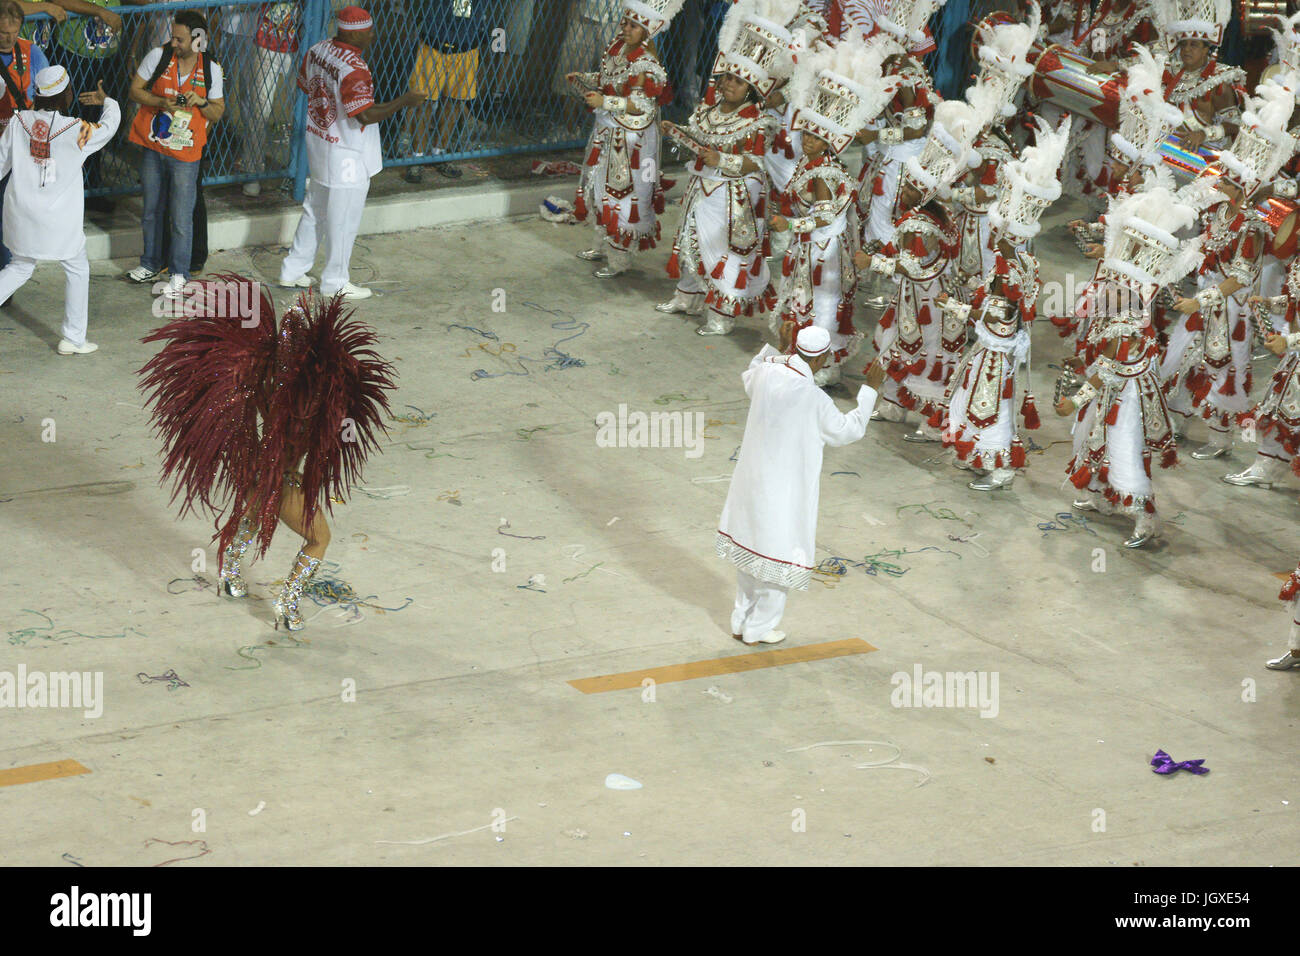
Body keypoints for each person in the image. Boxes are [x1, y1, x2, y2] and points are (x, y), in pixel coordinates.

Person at [139, 279, 397, 632]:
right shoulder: (311, 403)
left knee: (250, 518)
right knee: (319, 539)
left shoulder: (266, 386)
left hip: (258, 470)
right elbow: (333, 429)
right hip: (282, 479)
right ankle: (288, 604)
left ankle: (230, 574)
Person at [717, 328, 886, 645]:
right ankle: (759, 628)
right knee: (777, 555)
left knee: (751, 551)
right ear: (822, 358)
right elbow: (846, 431)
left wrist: (777, 348)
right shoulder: (813, 398)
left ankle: (741, 620)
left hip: (751, 479)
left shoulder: (767, 372)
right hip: (783, 489)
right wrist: (870, 391)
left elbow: (752, 372)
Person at [1056, 183, 1199, 548]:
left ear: (1135, 295)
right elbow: (1098, 355)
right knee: (1088, 439)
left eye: (1118, 289)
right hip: (1112, 392)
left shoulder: (1131, 327)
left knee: (1123, 452)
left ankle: (1145, 519)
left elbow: (1107, 373)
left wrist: (1073, 400)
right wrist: (1081, 359)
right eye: (1111, 285)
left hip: (1126, 398)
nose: (1108, 291)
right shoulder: (1115, 315)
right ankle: (1102, 497)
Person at [936, 117, 1070, 491]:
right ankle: (976, 455)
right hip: (990, 349)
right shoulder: (1010, 261)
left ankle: (1001, 466)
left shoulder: (1014, 269)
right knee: (972, 397)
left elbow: (999, 319)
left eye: (1000, 230)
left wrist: (953, 306)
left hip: (997, 350)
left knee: (991, 406)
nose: (994, 232)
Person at [770, 29, 892, 386]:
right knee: (812, 303)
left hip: (824, 251)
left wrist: (789, 227)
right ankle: (814, 360)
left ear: (828, 142)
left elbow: (824, 214)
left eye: (813, 138)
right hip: (816, 248)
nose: (806, 141)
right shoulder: (814, 165)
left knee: (823, 305)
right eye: (805, 135)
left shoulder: (823, 172)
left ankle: (824, 365)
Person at [279, 5, 423, 301]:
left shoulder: (318, 49)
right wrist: (405, 100)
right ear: (356, 34)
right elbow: (366, 115)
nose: (373, 35)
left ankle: (292, 270)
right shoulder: (354, 69)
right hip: (346, 154)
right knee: (342, 221)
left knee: (314, 210)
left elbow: (305, 85)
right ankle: (335, 282)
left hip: (320, 143)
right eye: (369, 31)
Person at [657, 6, 782, 334]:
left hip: (733, 198)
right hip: (701, 188)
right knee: (689, 242)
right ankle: (687, 297)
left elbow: (757, 162)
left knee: (723, 253)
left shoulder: (758, 121)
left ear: (751, 89)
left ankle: (721, 316)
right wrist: (676, 132)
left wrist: (724, 162)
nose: (728, 84)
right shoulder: (707, 110)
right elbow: (699, 142)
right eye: (726, 76)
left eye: (738, 81)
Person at [0, 66, 119, 354]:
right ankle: (73, 339)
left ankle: (74, 338)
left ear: (38, 95)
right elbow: (109, 127)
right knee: (77, 267)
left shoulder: (19, 122)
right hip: (58, 219)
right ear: (66, 94)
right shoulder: (76, 129)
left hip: (21, 213)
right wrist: (108, 102)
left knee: (19, 266)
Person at [568, 1, 676, 279]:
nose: (625, 29)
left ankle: (619, 259)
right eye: (625, 23)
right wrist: (585, 79)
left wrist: (606, 100)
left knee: (623, 194)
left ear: (646, 32)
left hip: (630, 141)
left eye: (633, 26)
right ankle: (601, 245)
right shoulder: (616, 47)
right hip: (607, 130)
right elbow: (608, 78)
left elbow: (642, 106)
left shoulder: (646, 64)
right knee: (598, 186)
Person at [124, 10, 225, 301]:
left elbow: (217, 112)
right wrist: (160, 101)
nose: (174, 42)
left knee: (181, 216)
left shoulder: (211, 69)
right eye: (173, 36)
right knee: (151, 211)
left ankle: (180, 273)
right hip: (154, 147)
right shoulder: (158, 56)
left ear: (198, 41)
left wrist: (202, 101)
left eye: (180, 38)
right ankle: (150, 264)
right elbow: (134, 91)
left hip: (186, 154)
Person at [218, 3, 300, 198]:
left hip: (299, 40)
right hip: (267, 41)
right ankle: (253, 172)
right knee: (259, 109)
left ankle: (300, 170)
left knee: (302, 106)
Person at [400, 0, 486, 182]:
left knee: (455, 101)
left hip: (467, 47)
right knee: (424, 102)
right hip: (433, 44)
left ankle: (440, 154)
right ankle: (417, 158)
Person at [0, 0, 49, 278]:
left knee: (17, 211)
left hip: (23, 147)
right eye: (1, 33)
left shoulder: (32, 52)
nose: (7, 38)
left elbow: (48, 94)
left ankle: (11, 270)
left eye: (12, 32)